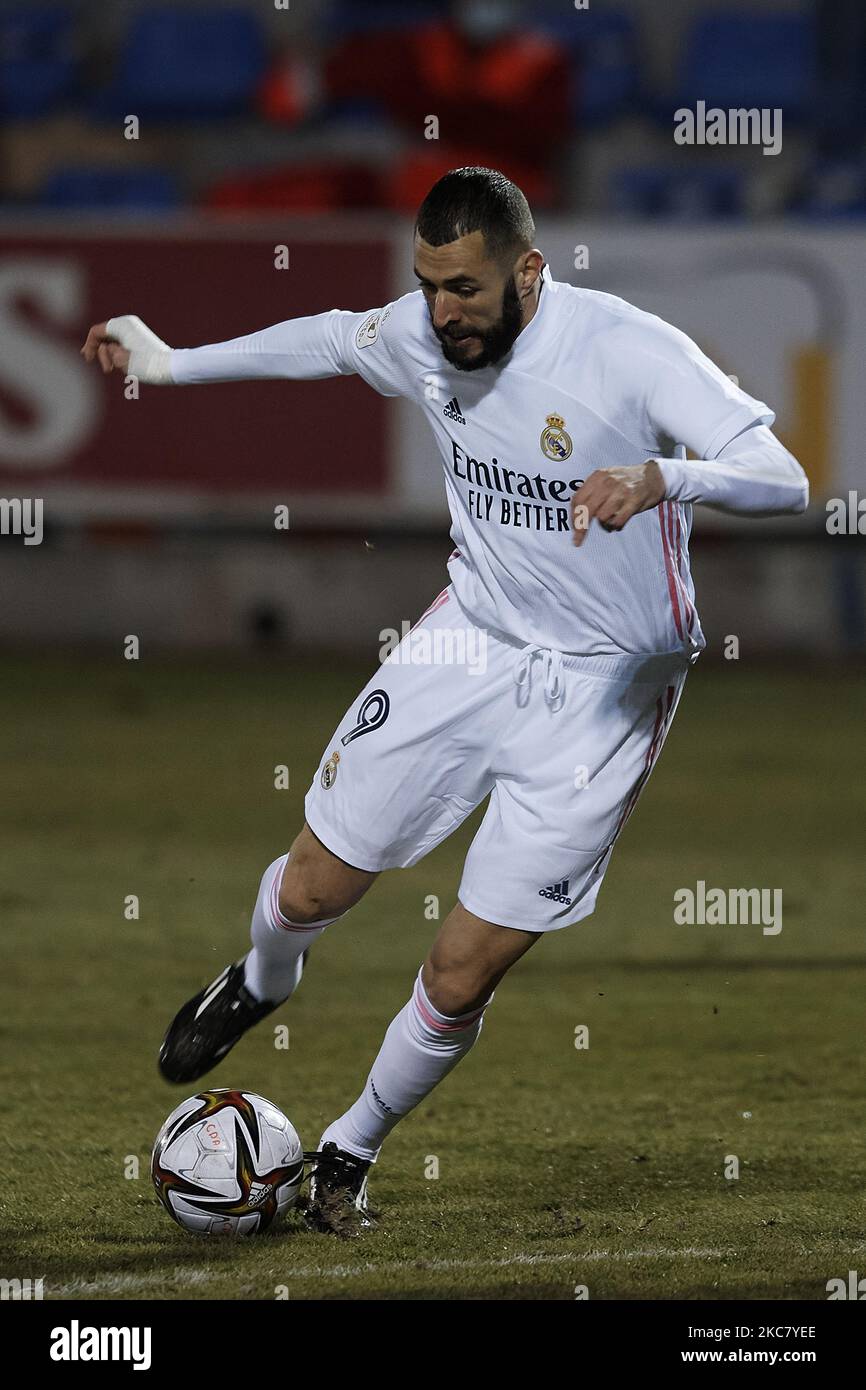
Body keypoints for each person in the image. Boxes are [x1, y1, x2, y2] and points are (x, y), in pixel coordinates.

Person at [81, 166, 808, 1236]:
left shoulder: (623, 348)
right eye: (426, 285)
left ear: (528, 270)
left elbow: (781, 473)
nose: (440, 314)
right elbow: (328, 338)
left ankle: (348, 1147)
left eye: (463, 289)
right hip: (466, 643)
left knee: (460, 967)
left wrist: (664, 476)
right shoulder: (425, 337)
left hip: (600, 694)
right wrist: (170, 363)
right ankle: (261, 979)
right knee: (314, 885)